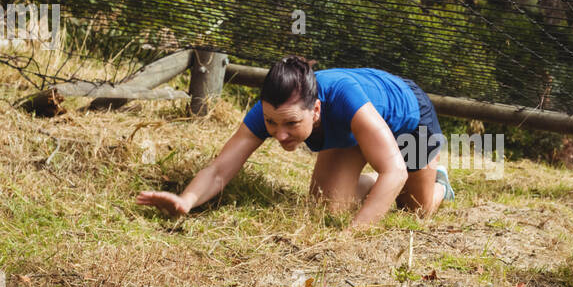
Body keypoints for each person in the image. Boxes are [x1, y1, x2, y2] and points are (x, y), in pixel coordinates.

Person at [136, 56, 453, 230]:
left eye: (291, 124)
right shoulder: (271, 110)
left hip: (410, 121)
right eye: (272, 122)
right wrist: (186, 201)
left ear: (315, 110)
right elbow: (220, 169)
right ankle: (373, 182)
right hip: (356, 128)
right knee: (325, 206)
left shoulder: (344, 98)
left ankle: (440, 182)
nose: (280, 134)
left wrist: (354, 233)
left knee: (415, 209)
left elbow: (395, 170)